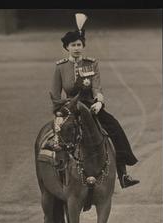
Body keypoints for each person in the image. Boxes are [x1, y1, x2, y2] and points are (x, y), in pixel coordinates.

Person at [50, 16, 139, 189]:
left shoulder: (92, 64)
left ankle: (123, 174)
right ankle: (58, 176)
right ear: (66, 47)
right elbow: (55, 95)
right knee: (55, 139)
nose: (76, 48)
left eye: (79, 44)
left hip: (91, 107)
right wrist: (60, 112)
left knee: (114, 129)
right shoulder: (60, 67)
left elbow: (97, 87)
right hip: (69, 109)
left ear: (83, 46)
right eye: (73, 45)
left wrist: (99, 102)